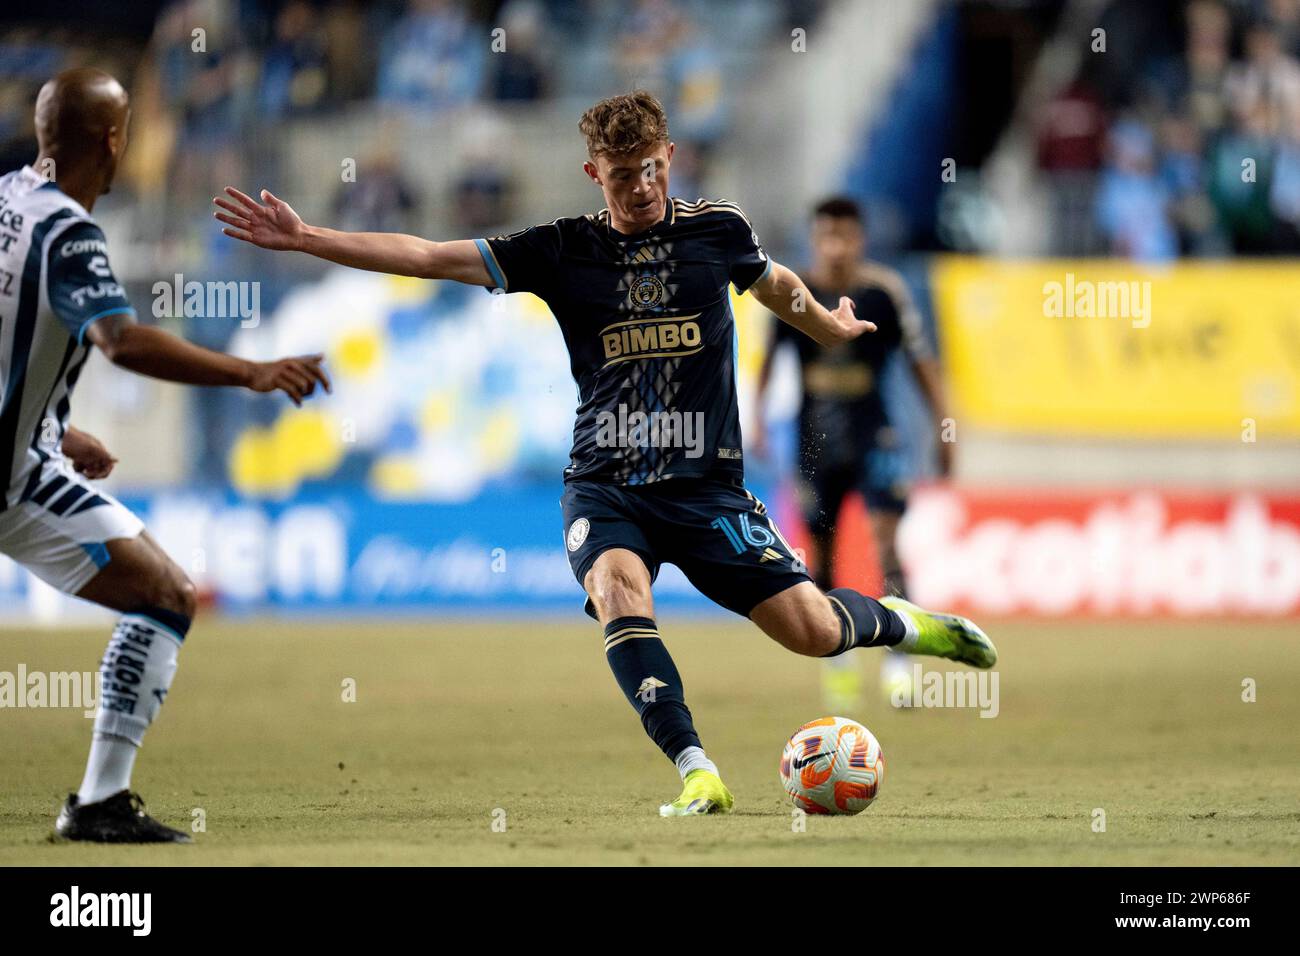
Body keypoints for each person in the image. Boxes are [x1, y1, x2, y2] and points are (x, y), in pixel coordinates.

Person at [215, 90, 995, 817]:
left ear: (670, 156)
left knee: (812, 631)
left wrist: (825, 325)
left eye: (653, 169)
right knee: (620, 592)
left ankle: (904, 626)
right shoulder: (559, 251)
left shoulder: (716, 230)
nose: (642, 188)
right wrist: (309, 236)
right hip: (605, 484)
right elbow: (427, 255)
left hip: (706, 488)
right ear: (595, 173)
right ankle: (698, 771)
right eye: (624, 176)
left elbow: (769, 281)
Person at [0, 68, 330, 842]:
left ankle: (101, 803)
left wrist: (49, 421)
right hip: (10, 477)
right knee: (167, 595)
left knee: (163, 591)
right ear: (114, 141)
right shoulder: (66, 231)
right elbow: (121, 340)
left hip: (28, 454)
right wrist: (248, 371)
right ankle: (100, 803)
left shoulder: (7, 200)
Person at [753, 197, 951, 709]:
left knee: (887, 545)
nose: (836, 247)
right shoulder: (795, 293)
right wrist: (754, 420)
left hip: (876, 436)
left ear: (860, 239)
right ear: (814, 240)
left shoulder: (885, 293)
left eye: (845, 236)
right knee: (820, 554)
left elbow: (923, 364)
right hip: (815, 440)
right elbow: (768, 365)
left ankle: (900, 659)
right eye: (826, 237)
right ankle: (837, 661)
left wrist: (945, 429)